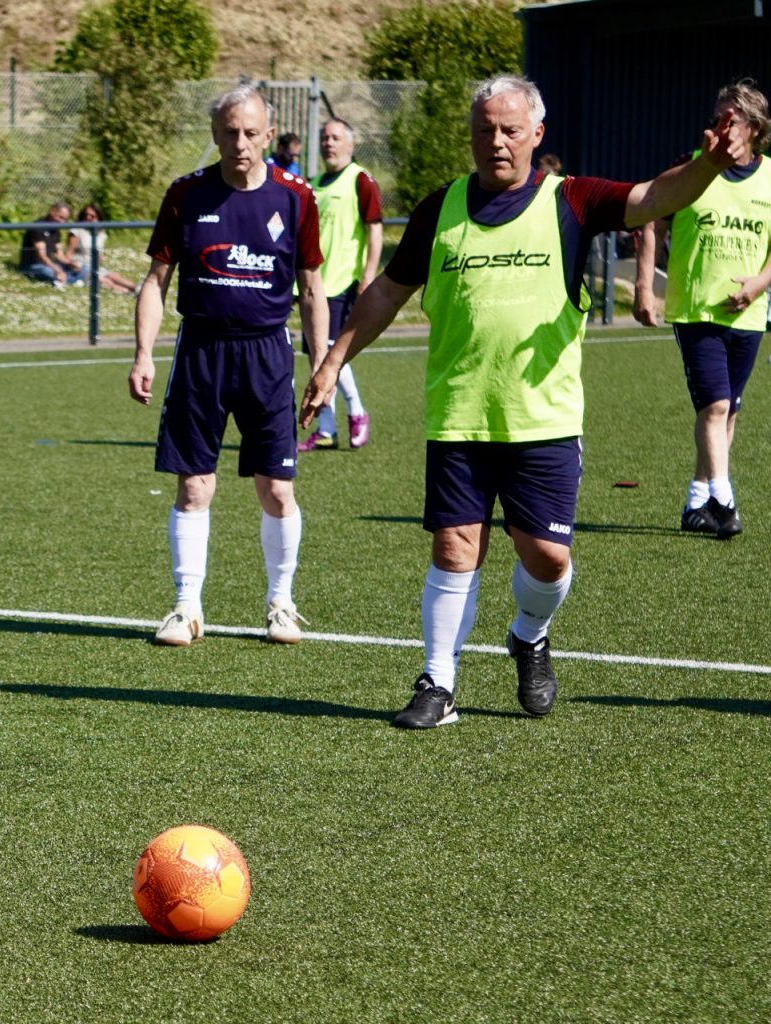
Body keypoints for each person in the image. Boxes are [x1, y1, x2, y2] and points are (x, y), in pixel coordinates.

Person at [301, 75, 746, 729]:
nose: (496, 142)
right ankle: (437, 683)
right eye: (485, 130)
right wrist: (335, 358)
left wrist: (709, 164)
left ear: (538, 135)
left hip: (543, 419)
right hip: (458, 412)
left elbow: (655, 197)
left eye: (510, 130)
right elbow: (387, 293)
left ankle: (529, 634)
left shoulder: (573, 201)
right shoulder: (441, 207)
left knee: (547, 557)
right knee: (455, 549)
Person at [129, 84, 329, 648]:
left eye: (250, 132)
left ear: (268, 134)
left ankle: (281, 603)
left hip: (267, 353)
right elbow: (155, 282)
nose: (239, 143)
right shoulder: (185, 194)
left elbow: (311, 289)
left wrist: (322, 366)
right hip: (200, 352)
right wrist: (143, 353)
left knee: (277, 488)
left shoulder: (296, 197)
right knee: (193, 488)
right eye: (228, 132)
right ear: (215, 135)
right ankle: (186, 607)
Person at [633, 80, 771, 540]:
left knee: (727, 411)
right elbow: (649, 218)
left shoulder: (770, 177)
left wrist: (758, 284)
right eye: (717, 117)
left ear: (753, 126)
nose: (720, 126)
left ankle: (696, 501)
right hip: (696, 312)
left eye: (730, 118)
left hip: (748, 316)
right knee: (714, 405)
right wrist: (642, 286)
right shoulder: (690, 168)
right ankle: (724, 501)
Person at [298, 117, 383, 451]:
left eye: (335, 137)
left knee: (331, 353)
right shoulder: (313, 183)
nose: (328, 143)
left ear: (350, 144)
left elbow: (375, 229)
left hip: (342, 282)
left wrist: (368, 275)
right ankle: (327, 428)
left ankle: (357, 412)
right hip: (313, 284)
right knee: (317, 355)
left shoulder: (360, 180)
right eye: (324, 137)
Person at [61, 203, 139, 295]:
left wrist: (97, 264)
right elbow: (68, 254)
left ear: (98, 218)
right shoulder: (77, 231)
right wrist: (72, 265)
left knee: (113, 276)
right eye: (86, 215)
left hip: (94, 267)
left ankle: (137, 288)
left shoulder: (101, 234)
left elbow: (99, 255)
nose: (88, 218)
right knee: (104, 280)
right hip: (80, 268)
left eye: (92, 216)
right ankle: (129, 293)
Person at [19, 201, 86, 287]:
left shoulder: (56, 230)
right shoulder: (38, 227)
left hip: (51, 264)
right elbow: (42, 256)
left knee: (83, 267)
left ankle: (64, 280)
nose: (62, 222)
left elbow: (59, 255)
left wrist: (71, 263)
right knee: (48, 271)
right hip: (35, 265)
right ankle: (71, 280)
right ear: (52, 211)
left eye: (65, 220)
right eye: (61, 217)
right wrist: (58, 270)